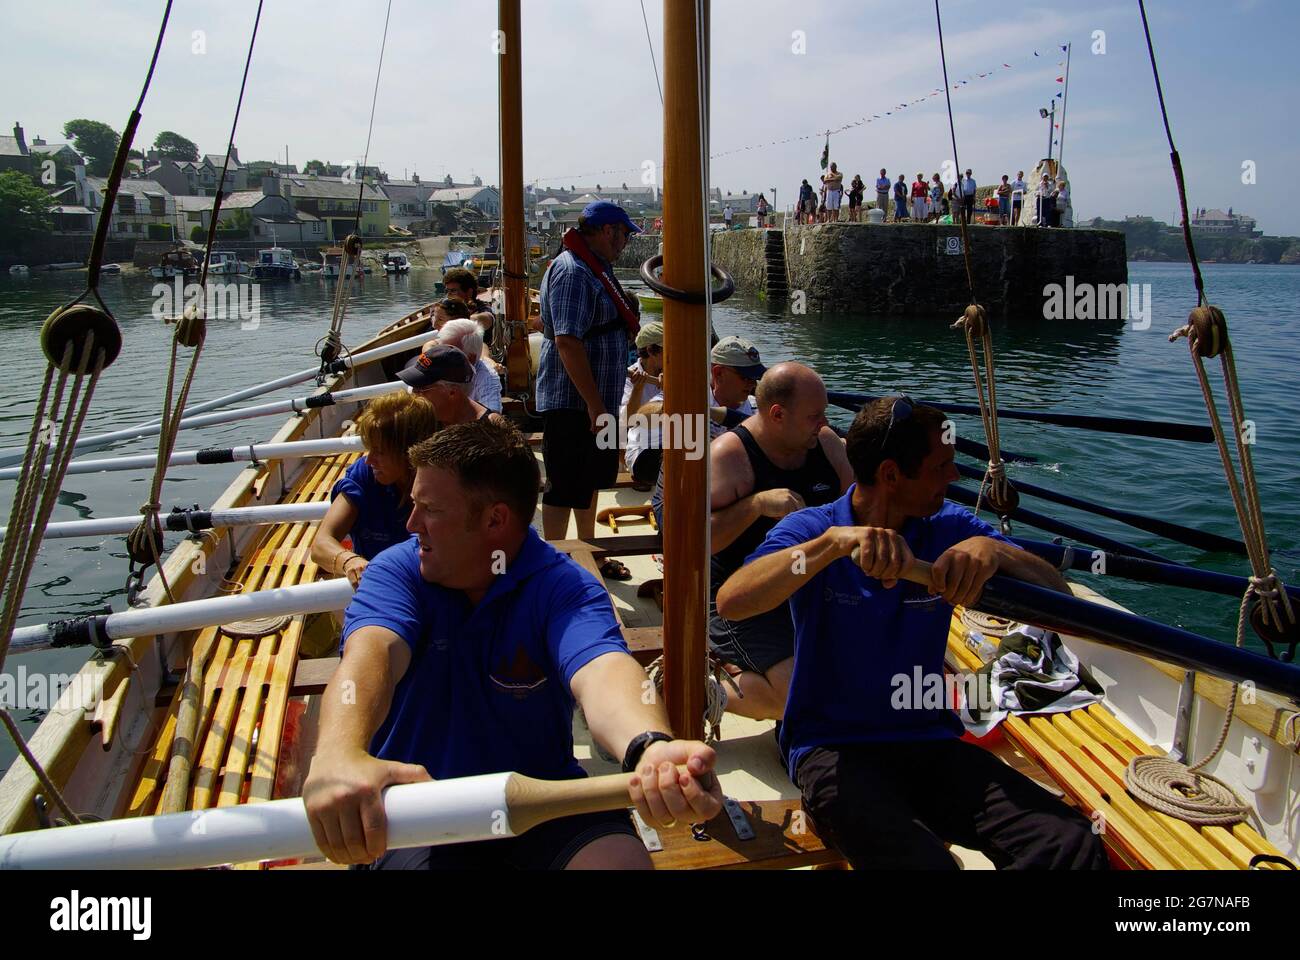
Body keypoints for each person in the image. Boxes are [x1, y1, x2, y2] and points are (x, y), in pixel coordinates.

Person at [303, 418, 724, 868]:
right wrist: (339, 753)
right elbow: (370, 660)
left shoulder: (563, 587)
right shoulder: (396, 572)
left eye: (429, 509)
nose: (411, 523)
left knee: (621, 861)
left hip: (543, 798)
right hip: (417, 807)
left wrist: (648, 747)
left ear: (495, 520)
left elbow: (603, 670)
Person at [714, 397, 1110, 870]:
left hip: (929, 743)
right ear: (890, 474)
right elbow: (733, 601)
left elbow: (1059, 599)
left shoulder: (951, 527)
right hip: (833, 749)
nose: (955, 476)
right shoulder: (814, 528)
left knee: (1071, 841)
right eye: (941, 466)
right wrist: (831, 548)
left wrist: (996, 551)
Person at [708, 363, 854, 721]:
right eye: (814, 416)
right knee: (798, 696)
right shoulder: (729, 456)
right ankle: (701, 692)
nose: (824, 424)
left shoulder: (826, 444)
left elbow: (858, 509)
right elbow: (699, 541)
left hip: (813, 585)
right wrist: (755, 506)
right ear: (777, 414)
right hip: (740, 595)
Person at [536, 200, 641, 545]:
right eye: (624, 234)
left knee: (589, 479)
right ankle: (556, 556)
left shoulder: (595, 267)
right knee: (563, 486)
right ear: (608, 231)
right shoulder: (573, 272)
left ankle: (588, 547)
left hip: (596, 402)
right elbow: (567, 341)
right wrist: (594, 406)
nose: (625, 242)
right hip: (575, 403)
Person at [310, 392, 438, 586]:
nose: (369, 460)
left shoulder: (442, 485)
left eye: (379, 452)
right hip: (377, 585)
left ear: (409, 452)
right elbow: (321, 544)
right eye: (370, 449)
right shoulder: (365, 474)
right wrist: (350, 561)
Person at [648, 336, 766, 529]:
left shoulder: (758, 409)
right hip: (675, 505)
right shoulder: (688, 395)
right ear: (718, 373)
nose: (752, 384)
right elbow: (641, 417)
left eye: (755, 378)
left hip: (727, 500)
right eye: (745, 377)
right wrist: (678, 404)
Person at [399, 344, 502, 426]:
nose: (413, 394)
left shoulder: (490, 429)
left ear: (452, 392)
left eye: (421, 389)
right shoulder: (421, 420)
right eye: (413, 388)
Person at [621, 320, 665, 487]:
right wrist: (637, 389)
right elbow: (629, 421)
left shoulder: (674, 371)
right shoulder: (629, 379)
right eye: (668, 350)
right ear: (651, 351)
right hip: (642, 444)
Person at [437, 318, 502, 412]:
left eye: (449, 352)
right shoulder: (434, 363)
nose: (440, 356)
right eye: (439, 349)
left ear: (470, 358)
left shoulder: (486, 377)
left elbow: (492, 416)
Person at [442, 267, 495, 345]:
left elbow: (487, 319)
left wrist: (449, 322)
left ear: (469, 292)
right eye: (447, 291)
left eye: (453, 291)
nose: (448, 295)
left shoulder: (483, 308)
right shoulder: (445, 309)